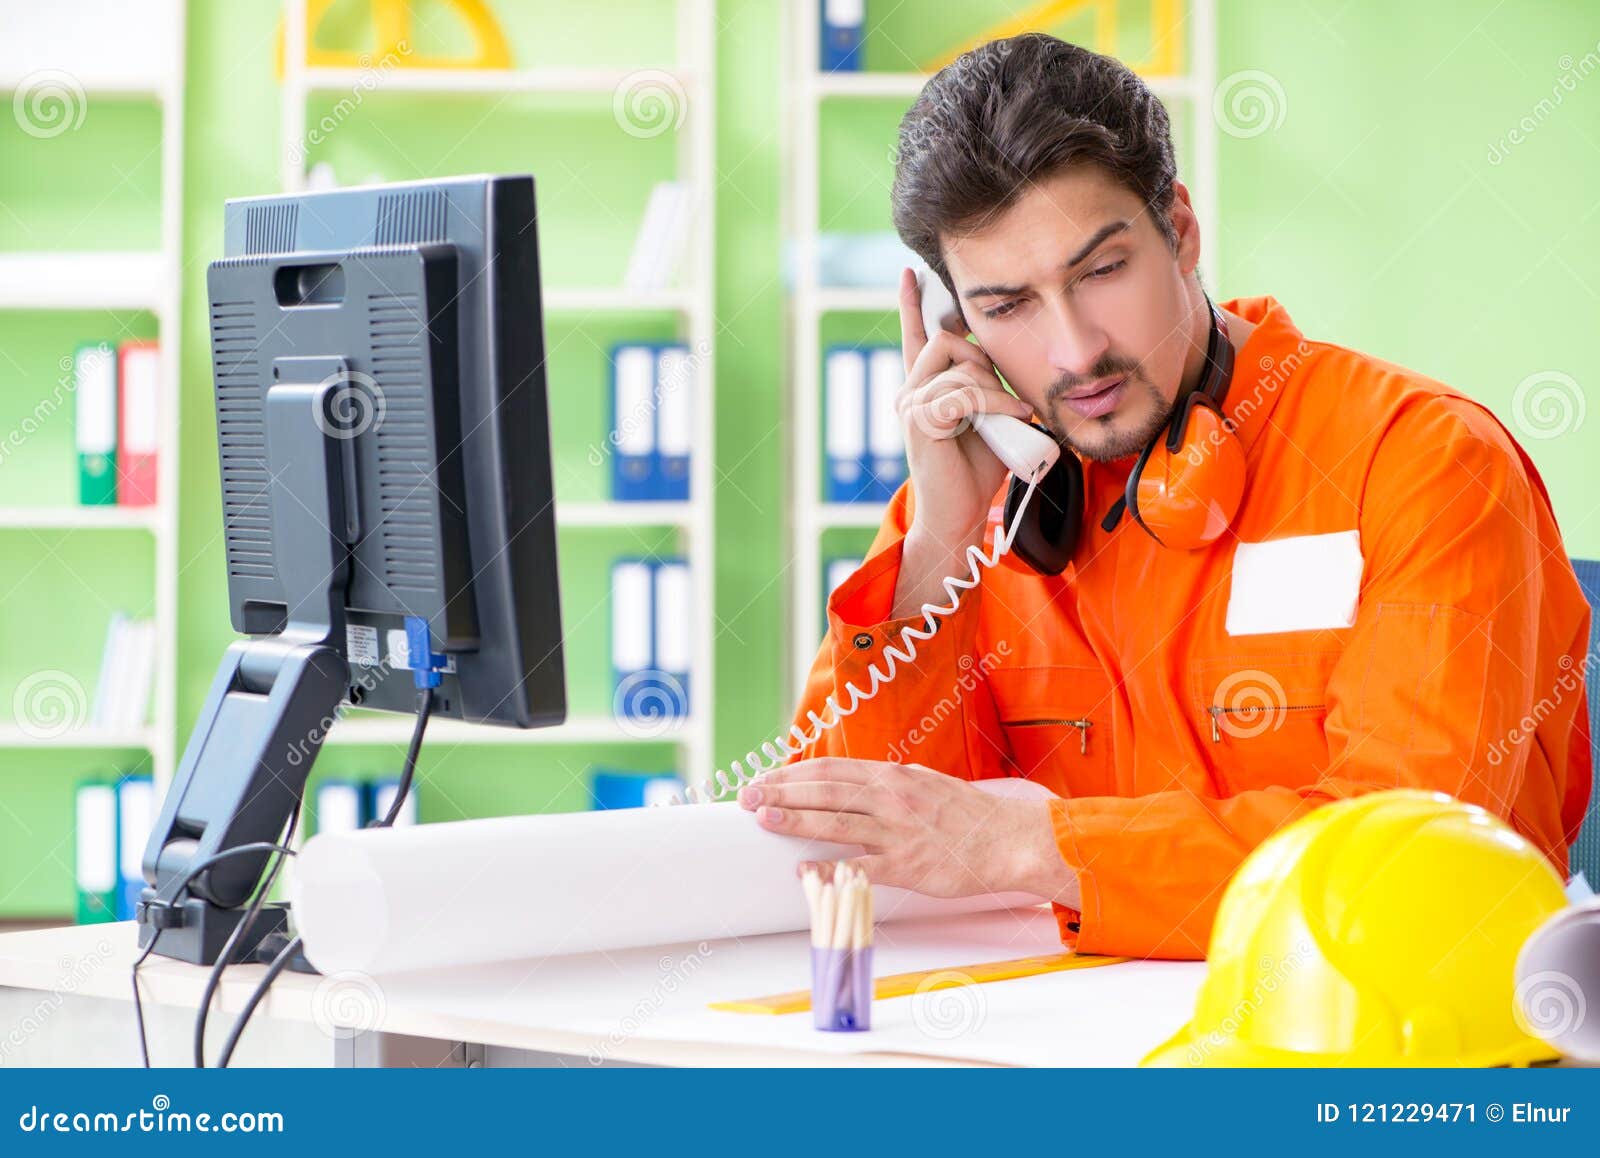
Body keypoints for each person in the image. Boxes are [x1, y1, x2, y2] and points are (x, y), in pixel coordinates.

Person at [738, 33, 1593, 959]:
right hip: (1058, 1048)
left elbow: (1407, 866)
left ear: (1180, 230)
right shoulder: (977, 503)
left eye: (1101, 271)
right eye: (1008, 306)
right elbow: (860, 848)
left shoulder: (1422, 460)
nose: (1073, 354)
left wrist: (1033, 846)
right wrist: (938, 545)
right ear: (957, 327)